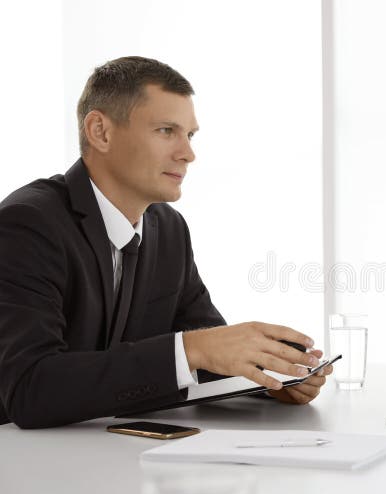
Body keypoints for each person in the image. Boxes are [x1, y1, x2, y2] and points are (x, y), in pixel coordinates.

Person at [0, 56, 332, 429]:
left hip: (113, 452)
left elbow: (206, 352)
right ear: (100, 132)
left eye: (190, 135)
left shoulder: (169, 229)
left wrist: (270, 376)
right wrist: (192, 348)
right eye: (165, 130)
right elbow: (29, 388)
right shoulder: (28, 224)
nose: (188, 154)